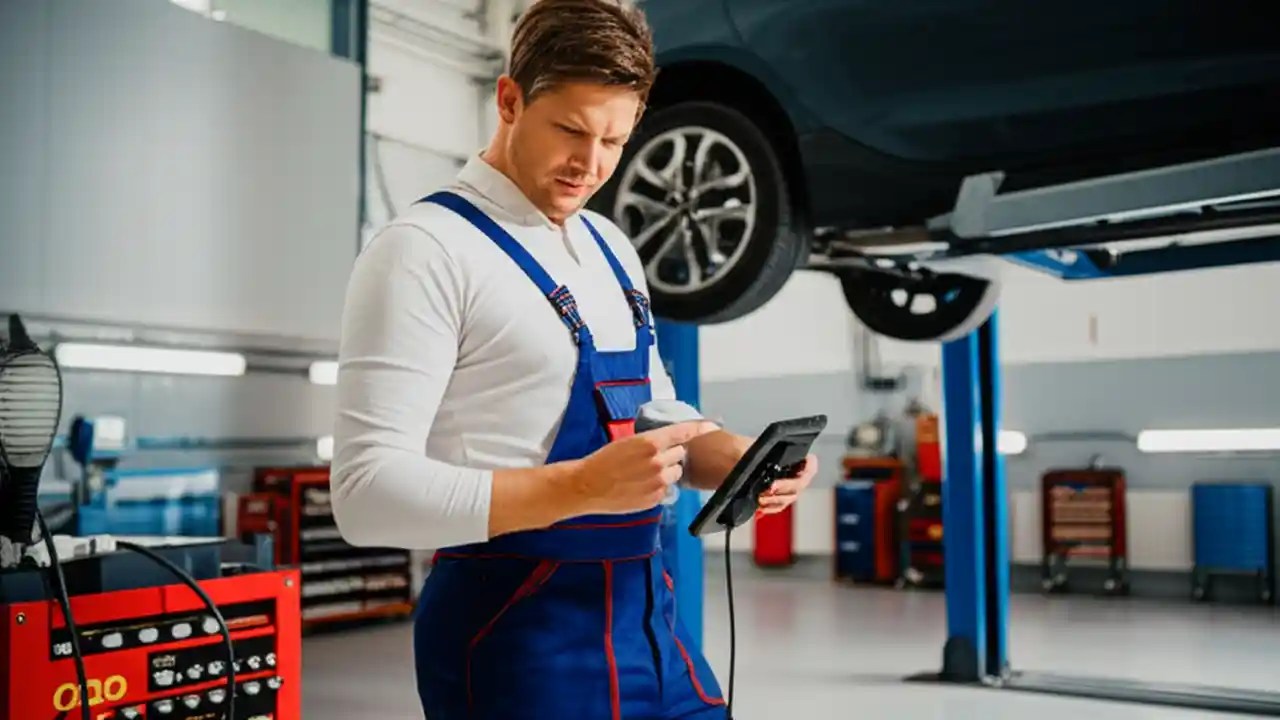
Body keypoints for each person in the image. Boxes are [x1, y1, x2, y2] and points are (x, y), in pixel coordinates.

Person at [330, 1, 818, 717]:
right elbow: (365, 497)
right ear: (508, 99)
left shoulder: (611, 246)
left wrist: (734, 457)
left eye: (616, 141)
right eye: (570, 130)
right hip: (516, 635)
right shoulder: (424, 251)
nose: (590, 165)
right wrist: (581, 488)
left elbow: (656, 412)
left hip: (650, 620)